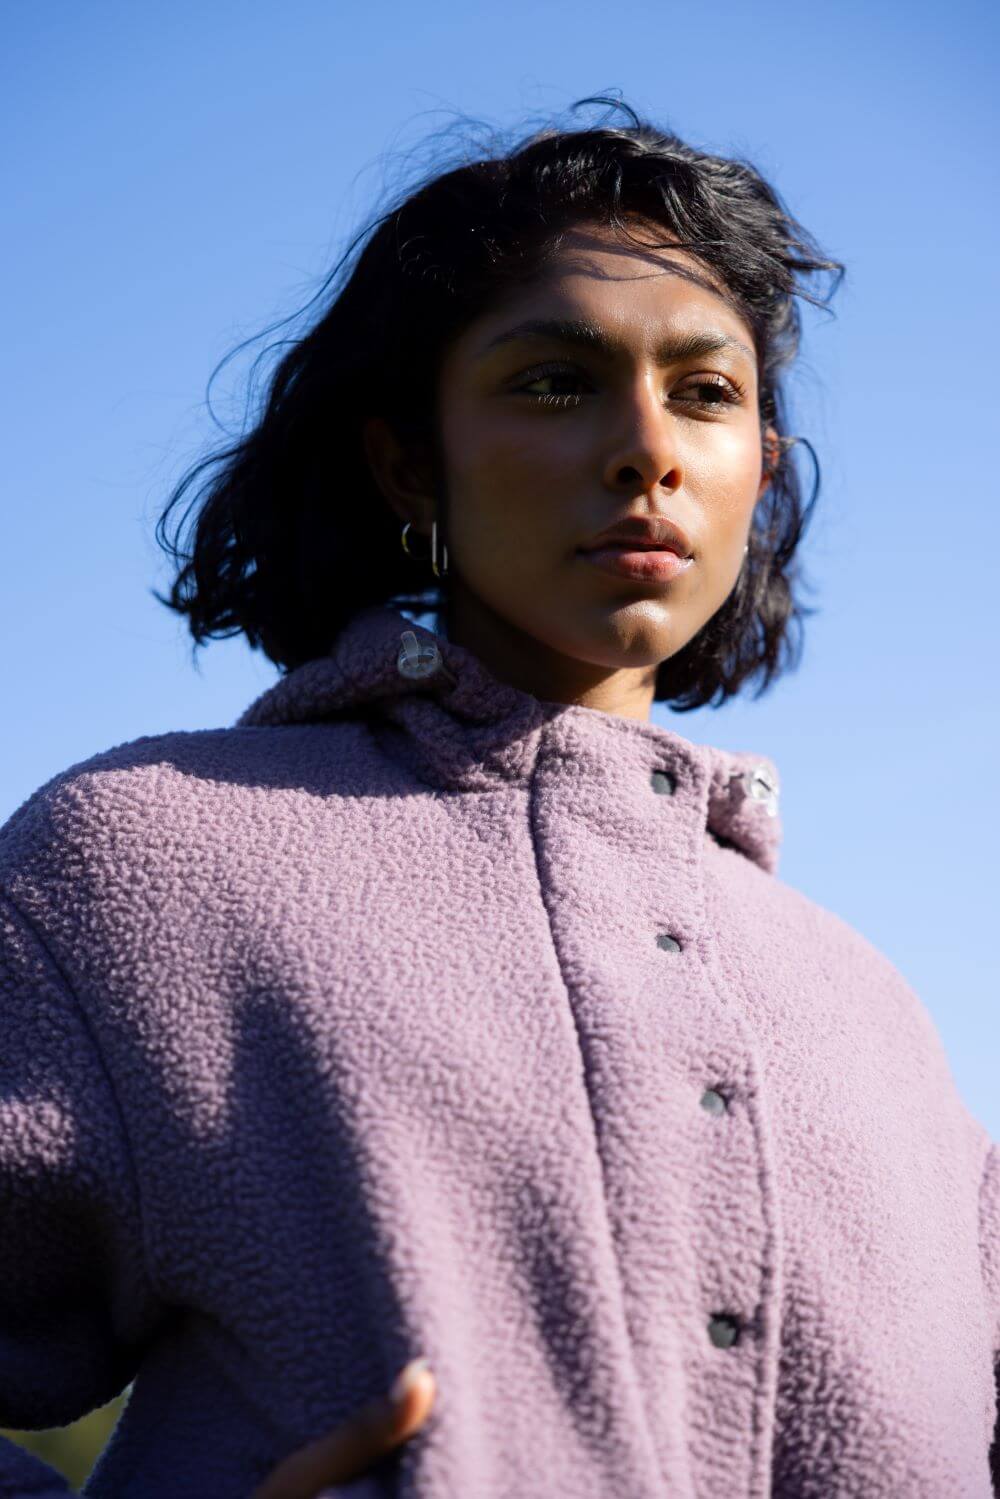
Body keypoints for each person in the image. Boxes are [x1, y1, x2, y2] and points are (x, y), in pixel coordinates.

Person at [1, 96, 997, 1498]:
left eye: (707, 392)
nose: (647, 446)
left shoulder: (878, 1016)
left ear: (760, 471)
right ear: (411, 463)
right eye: (554, 381)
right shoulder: (138, 862)